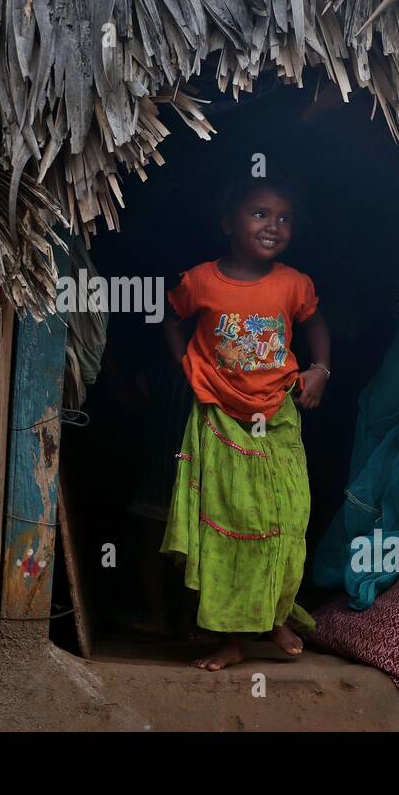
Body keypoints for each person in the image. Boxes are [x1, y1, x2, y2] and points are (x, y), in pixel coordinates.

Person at [161, 176, 330, 671]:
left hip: (276, 414)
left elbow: (317, 323)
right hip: (219, 414)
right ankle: (230, 640)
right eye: (259, 213)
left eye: (284, 217)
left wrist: (320, 369)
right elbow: (170, 318)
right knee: (227, 525)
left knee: (286, 517)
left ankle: (275, 614)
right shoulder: (200, 281)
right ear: (227, 222)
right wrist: (186, 368)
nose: (273, 225)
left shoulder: (294, 283)